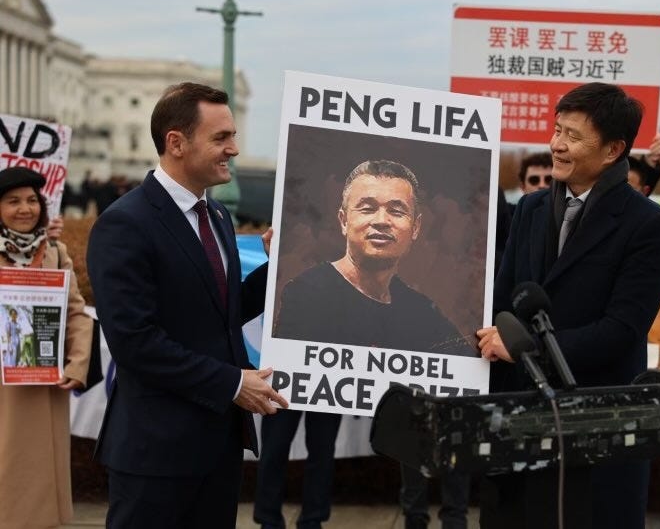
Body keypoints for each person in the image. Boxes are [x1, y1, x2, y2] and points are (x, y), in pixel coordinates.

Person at [477, 82, 660, 529]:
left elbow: (620, 329)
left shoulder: (650, 226)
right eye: (556, 130)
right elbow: (502, 298)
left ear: (612, 150)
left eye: (571, 135)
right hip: (516, 426)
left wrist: (525, 348)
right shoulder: (530, 209)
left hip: (597, 430)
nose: (556, 144)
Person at [86, 82, 288, 529]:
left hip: (218, 447)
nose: (233, 149)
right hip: (155, 453)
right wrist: (234, 383)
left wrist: (278, 267)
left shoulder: (217, 216)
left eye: (232, 135)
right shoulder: (124, 224)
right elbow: (136, 343)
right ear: (176, 142)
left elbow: (224, 312)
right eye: (221, 138)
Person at [254, 159, 473, 529]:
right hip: (289, 386)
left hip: (336, 398)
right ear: (343, 219)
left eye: (397, 210)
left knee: (322, 450)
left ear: (415, 228)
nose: (381, 221)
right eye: (367, 207)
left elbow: (461, 354)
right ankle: (268, 520)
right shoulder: (304, 290)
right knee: (276, 447)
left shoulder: (421, 309)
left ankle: (313, 521)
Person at [0, 166, 92, 528]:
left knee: (37, 480)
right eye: (13, 202)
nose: (25, 208)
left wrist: (77, 363)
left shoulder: (54, 251)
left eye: (31, 200)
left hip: (44, 381)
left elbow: (76, 313)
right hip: (5, 388)